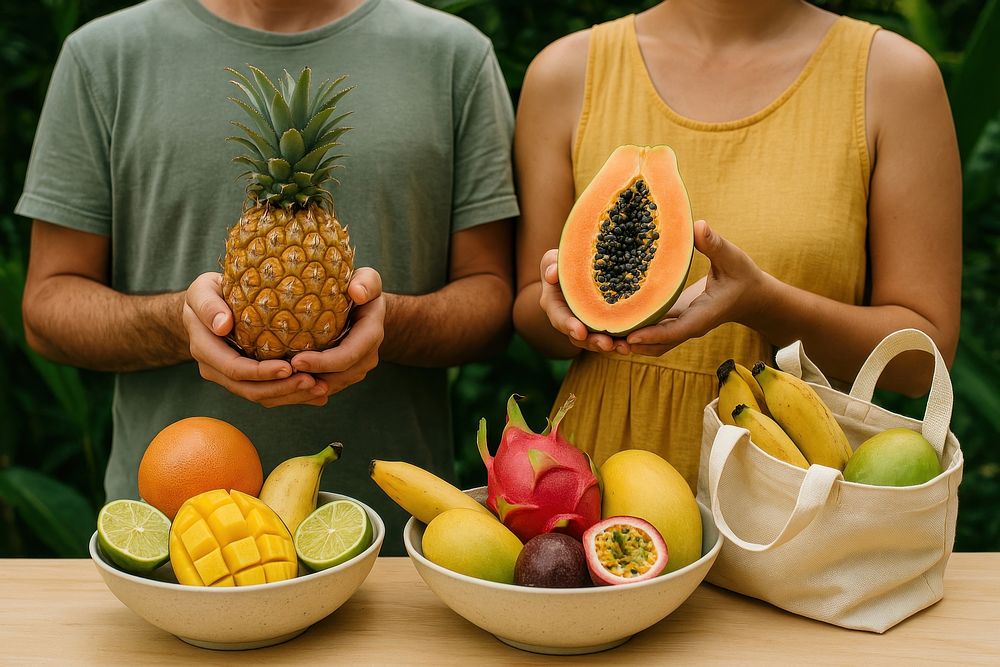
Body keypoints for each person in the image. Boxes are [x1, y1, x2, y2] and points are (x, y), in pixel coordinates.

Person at [17, 0, 518, 554]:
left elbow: (494, 300)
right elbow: (47, 304)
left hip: (401, 541)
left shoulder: (454, 55)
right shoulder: (102, 55)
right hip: (169, 541)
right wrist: (178, 323)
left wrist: (384, 322)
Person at [513, 0, 961, 489]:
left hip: (793, 482)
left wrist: (763, 305)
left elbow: (921, 363)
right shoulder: (564, 73)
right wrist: (571, 305)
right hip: (600, 474)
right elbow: (534, 323)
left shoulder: (896, 79)